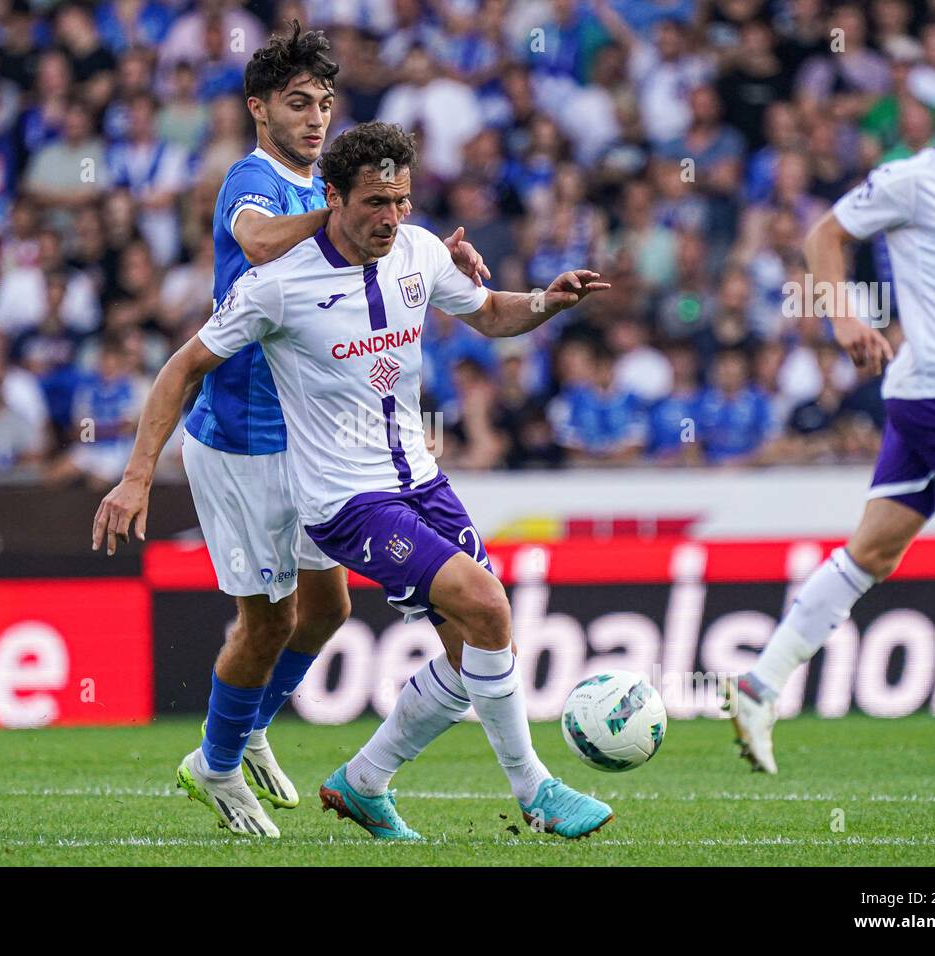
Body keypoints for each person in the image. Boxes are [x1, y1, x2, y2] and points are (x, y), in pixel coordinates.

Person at [93, 121, 613, 840]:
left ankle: (363, 783)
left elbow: (489, 313)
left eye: (400, 201)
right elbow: (182, 368)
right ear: (332, 198)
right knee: (486, 603)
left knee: (480, 652)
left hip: (421, 482)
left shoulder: (421, 252)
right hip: (346, 502)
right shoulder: (277, 287)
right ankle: (537, 790)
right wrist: (135, 478)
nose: (391, 218)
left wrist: (547, 302)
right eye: (375, 203)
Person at [98, 25, 486, 837]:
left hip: (313, 442)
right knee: (268, 621)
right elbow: (256, 243)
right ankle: (214, 761)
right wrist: (137, 472)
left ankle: (245, 732)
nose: (315, 120)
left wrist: (415, 249)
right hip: (240, 440)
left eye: (324, 105)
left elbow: (360, 261)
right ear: (259, 109)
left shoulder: (325, 192)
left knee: (326, 609)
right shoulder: (258, 181)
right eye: (297, 104)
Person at [728, 54, 935, 773]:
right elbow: (824, 237)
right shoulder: (911, 181)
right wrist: (842, 319)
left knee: (873, 553)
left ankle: (759, 682)